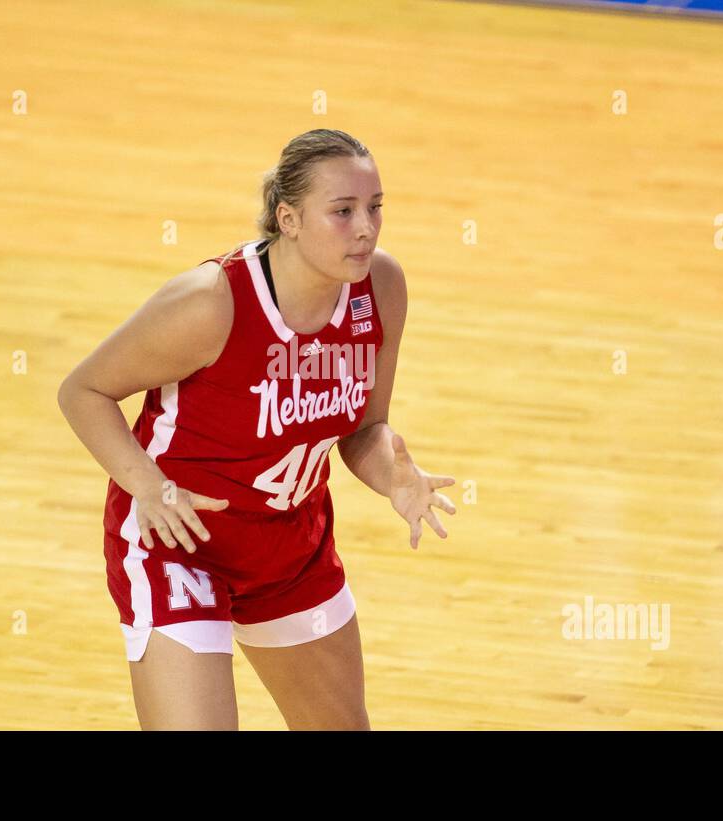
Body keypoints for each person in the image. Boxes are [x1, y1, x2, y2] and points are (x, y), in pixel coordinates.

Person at [58, 129, 456, 730]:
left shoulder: (380, 288)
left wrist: (394, 475)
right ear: (288, 218)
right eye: (343, 211)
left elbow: (364, 428)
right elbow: (83, 391)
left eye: (375, 208)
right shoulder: (211, 303)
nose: (366, 229)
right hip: (181, 542)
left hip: (290, 546)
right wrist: (148, 485)